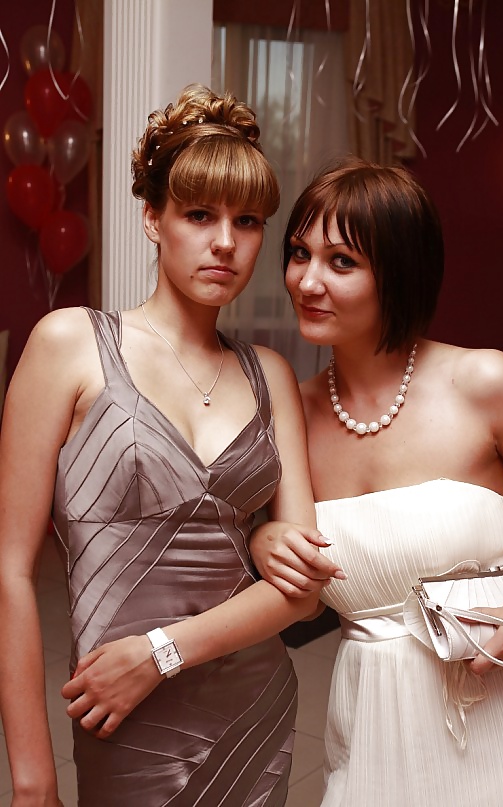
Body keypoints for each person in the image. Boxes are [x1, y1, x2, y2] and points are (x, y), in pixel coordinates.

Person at [0, 85, 338, 807]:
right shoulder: (70, 344)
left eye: (248, 221)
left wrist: (161, 653)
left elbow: (304, 591)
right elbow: (9, 571)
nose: (226, 242)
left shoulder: (270, 374)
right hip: (123, 716)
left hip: (252, 707)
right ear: (152, 218)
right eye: (199, 214)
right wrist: (32, 781)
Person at [250, 156, 503, 806]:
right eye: (299, 254)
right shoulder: (289, 415)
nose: (307, 281)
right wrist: (263, 542)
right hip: (373, 729)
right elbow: (298, 598)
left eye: (341, 261)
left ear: (400, 270)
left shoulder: (484, 383)